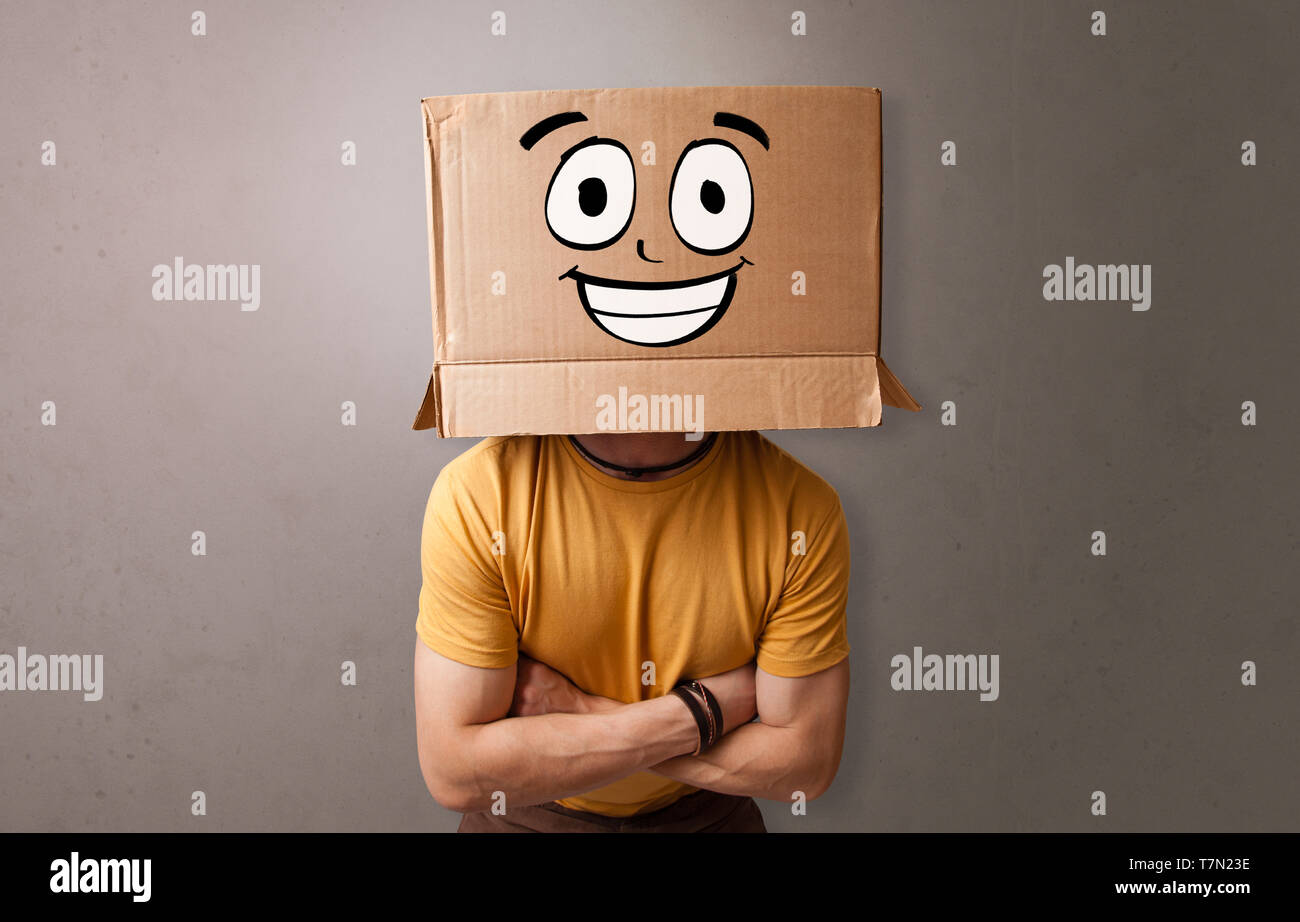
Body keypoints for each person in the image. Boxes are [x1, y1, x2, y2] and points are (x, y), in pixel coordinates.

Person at [413, 428, 852, 832]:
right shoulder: (479, 491)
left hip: (708, 817)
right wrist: (700, 715)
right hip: (524, 815)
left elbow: (804, 767)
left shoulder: (801, 507)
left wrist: (581, 709)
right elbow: (457, 774)